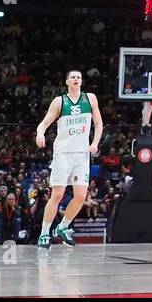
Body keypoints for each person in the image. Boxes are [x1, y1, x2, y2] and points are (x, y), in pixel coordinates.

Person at [33, 70, 103, 248]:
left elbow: (99, 123)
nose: (76, 79)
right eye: (73, 77)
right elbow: (45, 122)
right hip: (63, 153)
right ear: (66, 82)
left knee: (80, 196)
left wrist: (94, 143)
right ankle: (44, 234)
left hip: (82, 154)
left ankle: (62, 228)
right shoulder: (60, 101)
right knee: (57, 194)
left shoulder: (90, 98)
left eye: (79, 77)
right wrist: (40, 133)